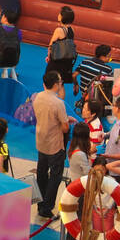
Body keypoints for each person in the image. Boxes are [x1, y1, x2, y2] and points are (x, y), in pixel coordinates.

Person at [34, 70, 71, 218]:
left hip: (41, 141)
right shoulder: (58, 103)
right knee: (55, 176)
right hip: (55, 144)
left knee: (41, 174)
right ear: (56, 85)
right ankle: (47, 206)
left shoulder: (37, 97)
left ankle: (39, 203)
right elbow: (65, 127)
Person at [46, 6, 77, 91]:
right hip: (67, 61)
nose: (58, 14)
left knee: (48, 82)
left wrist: (48, 56)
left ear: (63, 17)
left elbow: (50, 46)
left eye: (60, 13)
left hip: (57, 60)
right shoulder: (72, 30)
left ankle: (48, 101)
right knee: (61, 84)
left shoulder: (59, 30)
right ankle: (60, 103)